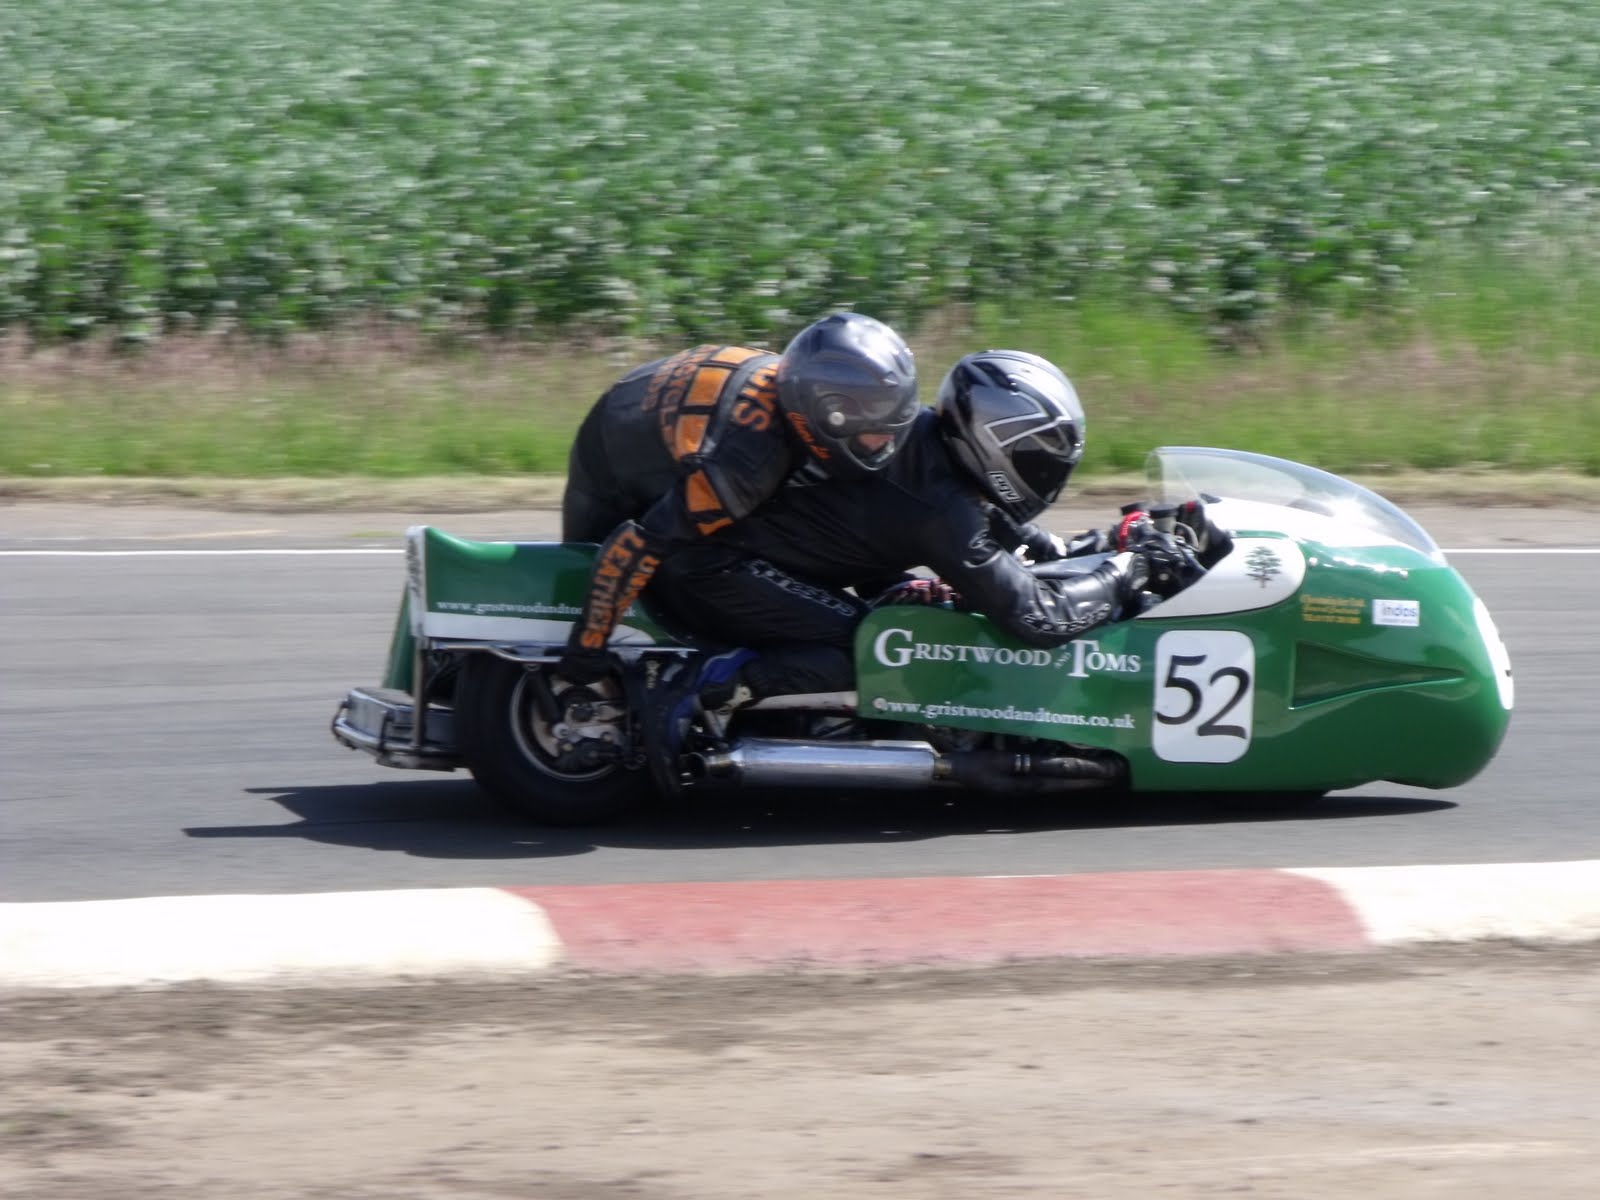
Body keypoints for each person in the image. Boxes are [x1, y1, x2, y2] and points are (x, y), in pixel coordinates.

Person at [639, 348, 1231, 756]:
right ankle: (711, 688)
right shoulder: (937, 510)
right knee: (880, 647)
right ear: (996, 444)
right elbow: (1037, 617)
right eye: (1040, 455)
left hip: (739, 554)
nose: (1050, 470)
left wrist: (1111, 541)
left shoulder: (925, 440)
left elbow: (1024, 545)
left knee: (904, 603)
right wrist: (1131, 568)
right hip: (715, 569)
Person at [556, 311, 920, 699]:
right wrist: (587, 647)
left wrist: (884, 580)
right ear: (824, 412)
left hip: (647, 410)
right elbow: (640, 543)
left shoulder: (794, 392)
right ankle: (695, 688)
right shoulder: (744, 466)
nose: (886, 441)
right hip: (609, 476)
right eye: (874, 429)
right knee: (681, 578)